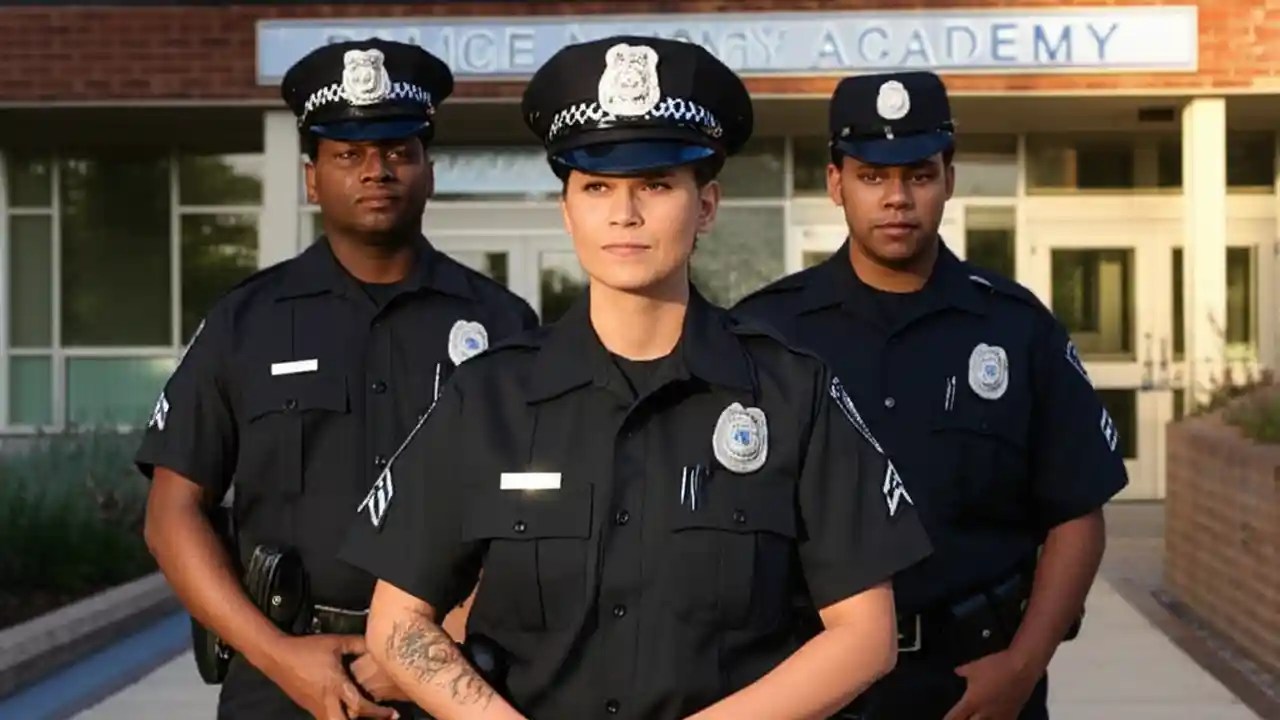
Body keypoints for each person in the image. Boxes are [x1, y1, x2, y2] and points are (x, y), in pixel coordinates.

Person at [336, 36, 934, 720]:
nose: (624, 213)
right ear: (568, 211)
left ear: (706, 205)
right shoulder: (488, 398)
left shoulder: (793, 392)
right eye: (596, 187)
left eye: (655, 184)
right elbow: (398, 622)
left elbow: (865, 637)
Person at [137, 38, 538, 720]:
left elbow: (535, 510)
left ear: (428, 171)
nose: (376, 171)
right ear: (312, 178)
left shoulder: (502, 323)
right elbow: (171, 514)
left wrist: (426, 649)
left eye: (397, 152)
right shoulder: (248, 321)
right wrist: (276, 655)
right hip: (282, 673)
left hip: (454, 675)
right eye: (348, 154)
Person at [733, 70, 1129, 720]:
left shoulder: (1015, 326)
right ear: (836, 184)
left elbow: (1077, 513)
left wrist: (1024, 666)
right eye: (871, 176)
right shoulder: (768, 333)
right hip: (816, 685)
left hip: (977, 682)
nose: (896, 198)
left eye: (917, 175)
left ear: (949, 177)